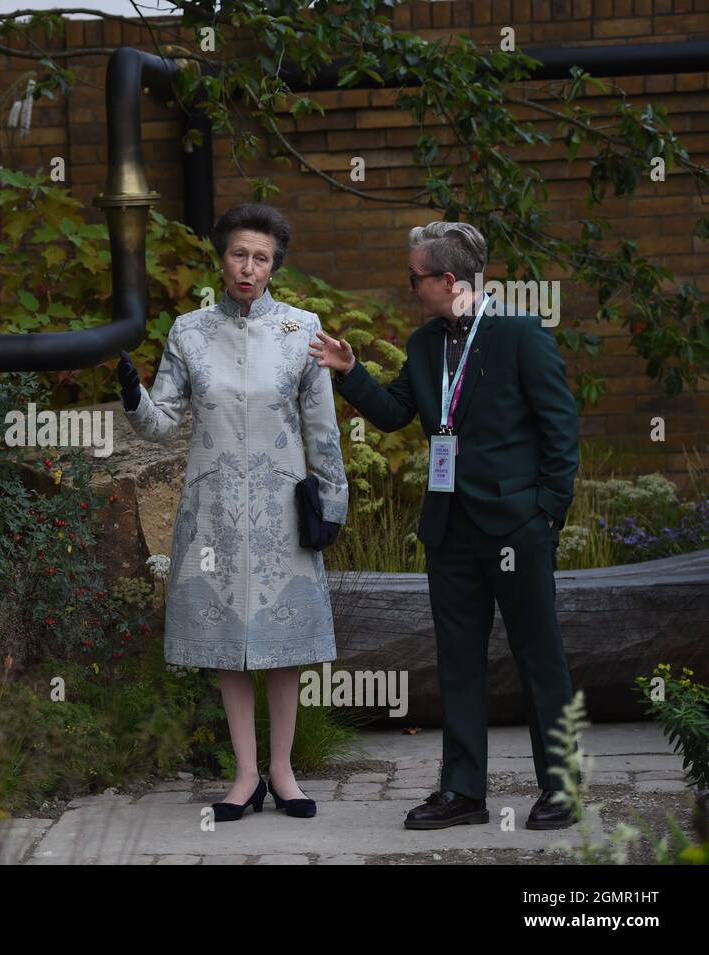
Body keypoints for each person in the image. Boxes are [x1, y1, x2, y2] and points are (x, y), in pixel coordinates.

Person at [308, 220, 580, 830]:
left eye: (415, 278)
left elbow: (561, 430)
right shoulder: (426, 344)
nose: (410, 288)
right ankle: (463, 792)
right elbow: (394, 413)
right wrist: (349, 372)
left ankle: (562, 787)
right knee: (458, 660)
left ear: (447, 279)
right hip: (449, 529)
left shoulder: (520, 334)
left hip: (517, 528)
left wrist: (547, 514)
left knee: (540, 656)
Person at [117, 203, 349, 821]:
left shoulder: (303, 329)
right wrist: (133, 397)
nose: (248, 267)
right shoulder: (189, 332)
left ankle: (283, 771)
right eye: (239, 254)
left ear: (275, 266)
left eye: (261, 258)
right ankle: (245, 775)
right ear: (221, 257)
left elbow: (321, 429)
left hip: (282, 507)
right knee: (227, 644)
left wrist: (332, 503)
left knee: (281, 642)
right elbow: (162, 426)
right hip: (214, 507)